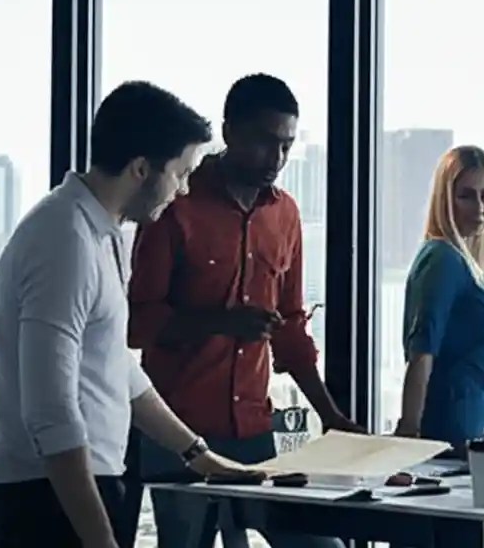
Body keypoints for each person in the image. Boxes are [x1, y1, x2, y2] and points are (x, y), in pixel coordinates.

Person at [0, 81, 258, 548]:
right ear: (142, 169)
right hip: (46, 493)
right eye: (181, 173)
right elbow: (52, 413)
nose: (184, 190)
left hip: (77, 483)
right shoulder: (64, 241)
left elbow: (115, 365)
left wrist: (197, 453)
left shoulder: (102, 235)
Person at [128, 74, 355, 548]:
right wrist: (221, 323)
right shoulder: (176, 204)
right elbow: (138, 323)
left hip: (254, 430)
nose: (277, 159)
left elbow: (291, 330)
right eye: (265, 142)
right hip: (179, 433)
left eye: (287, 146)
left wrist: (330, 416)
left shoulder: (286, 214)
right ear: (229, 132)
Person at [395, 146, 484, 448]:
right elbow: (422, 351)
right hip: (445, 433)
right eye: (466, 196)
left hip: (471, 433)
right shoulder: (444, 258)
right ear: (445, 199)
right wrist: (410, 433)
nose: (479, 208)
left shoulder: (470, 264)